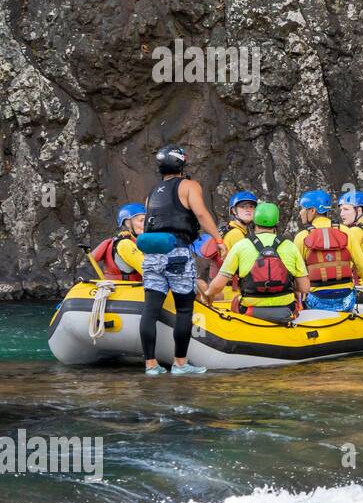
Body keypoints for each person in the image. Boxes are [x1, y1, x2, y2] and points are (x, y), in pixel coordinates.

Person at [139, 145, 225, 376]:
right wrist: (218, 239)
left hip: (151, 255)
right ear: (181, 164)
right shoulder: (189, 186)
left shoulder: (152, 193)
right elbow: (200, 214)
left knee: (151, 309)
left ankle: (150, 365)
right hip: (177, 252)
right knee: (184, 309)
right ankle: (180, 363)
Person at [204, 202, 309, 322]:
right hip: (285, 310)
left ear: (254, 221)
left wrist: (207, 295)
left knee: (235, 302)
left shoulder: (241, 245)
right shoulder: (290, 246)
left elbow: (217, 286)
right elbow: (305, 287)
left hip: (249, 312)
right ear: (276, 223)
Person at [293, 189, 363, 295]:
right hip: (345, 298)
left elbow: (296, 273)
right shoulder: (345, 231)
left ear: (313, 210)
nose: (300, 213)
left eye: (302, 208)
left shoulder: (302, 237)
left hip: (317, 299)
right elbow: (362, 264)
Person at [198, 190, 258, 294]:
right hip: (230, 290)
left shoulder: (228, 228)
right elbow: (246, 267)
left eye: (251, 206)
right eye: (243, 206)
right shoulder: (236, 234)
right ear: (234, 211)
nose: (248, 209)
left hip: (222, 285)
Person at [89, 204, 146, 281]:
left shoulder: (136, 241)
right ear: (128, 224)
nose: (146, 224)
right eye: (141, 220)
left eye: (147, 220)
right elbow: (149, 272)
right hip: (127, 290)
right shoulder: (125, 244)